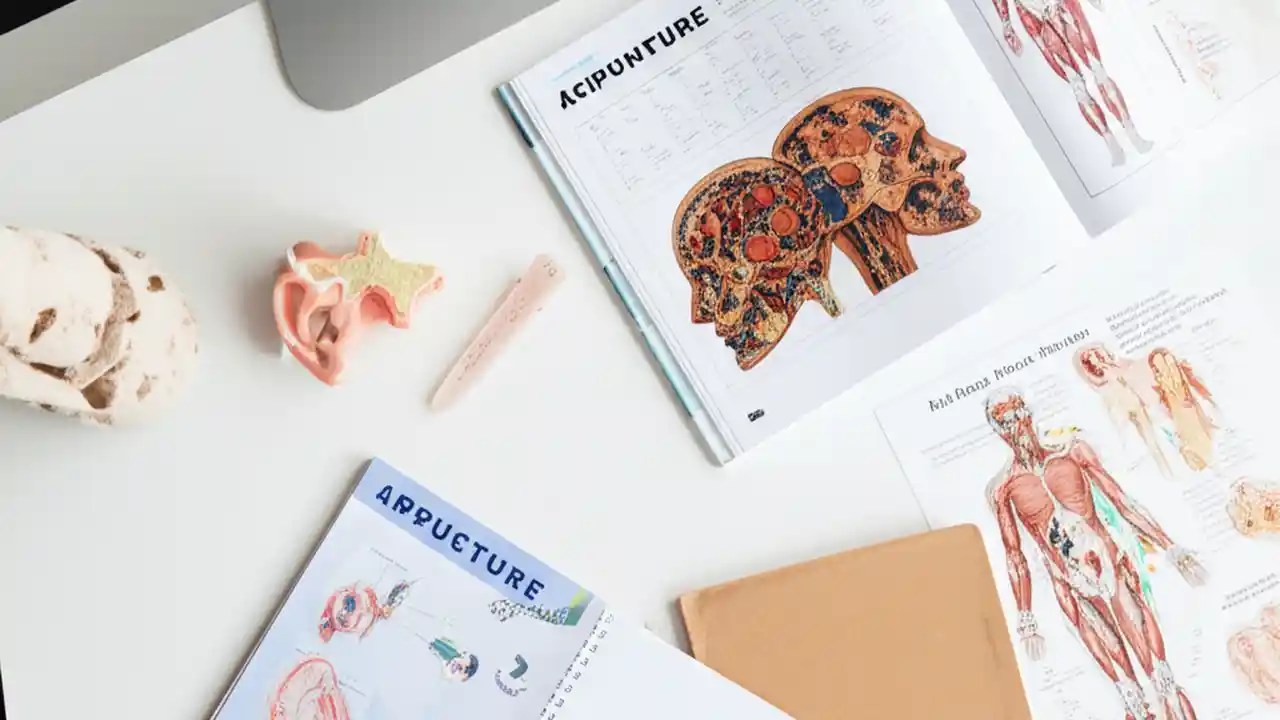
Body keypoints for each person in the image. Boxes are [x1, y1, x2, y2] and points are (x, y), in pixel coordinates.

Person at [985, 389, 1206, 720]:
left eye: (1018, 414)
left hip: (1110, 566)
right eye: (1005, 421)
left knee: (1163, 683)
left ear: (1029, 414)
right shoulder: (1003, 488)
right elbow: (1014, 555)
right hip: (1070, 585)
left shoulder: (1072, 451)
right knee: (1131, 696)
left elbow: (1121, 500)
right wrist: (1026, 618)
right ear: (998, 430)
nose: (1016, 427)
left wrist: (1170, 546)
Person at [994, 0, 1152, 165]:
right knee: (1077, 83)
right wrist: (1007, 24)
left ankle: (1132, 133)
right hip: (1034, 15)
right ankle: (1112, 142)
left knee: (1096, 68)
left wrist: (1007, 25)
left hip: (1061, 6)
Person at [1075, 344, 1174, 479]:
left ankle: (1165, 467)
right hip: (1118, 405)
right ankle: (1158, 469)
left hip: (1131, 400)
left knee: (1151, 436)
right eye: (1090, 358)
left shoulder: (1113, 366)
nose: (1095, 359)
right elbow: (1101, 382)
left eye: (1095, 355)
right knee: (1133, 438)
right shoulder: (1098, 377)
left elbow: (1127, 379)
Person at [1148, 348, 1217, 471]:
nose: (1170, 374)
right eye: (1162, 370)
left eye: (1171, 367)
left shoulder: (1198, 391)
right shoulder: (1160, 409)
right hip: (1196, 457)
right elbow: (1168, 437)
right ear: (1157, 376)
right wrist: (1184, 449)